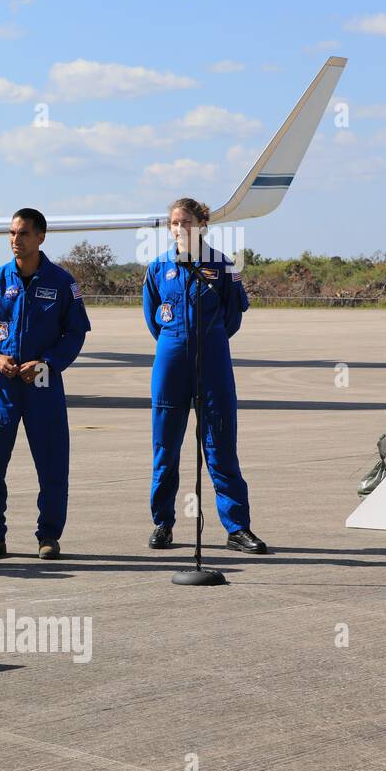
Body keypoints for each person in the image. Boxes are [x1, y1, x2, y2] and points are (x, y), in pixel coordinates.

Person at [0, 208, 90, 559]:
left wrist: (47, 363)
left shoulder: (62, 283)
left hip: (43, 386)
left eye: (22, 234)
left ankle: (48, 536)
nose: (15, 240)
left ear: (40, 237)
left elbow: (75, 332)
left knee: (52, 463)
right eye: (11, 233)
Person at [144, 197, 267, 553]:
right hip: (170, 361)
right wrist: (179, 342)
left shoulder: (223, 266)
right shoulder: (158, 268)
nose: (178, 229)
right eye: (173, 223)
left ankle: (237, 528)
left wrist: (205, 340)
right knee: (165, 446)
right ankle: (162, 523)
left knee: (221, 445)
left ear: (202, 225)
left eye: (185, 222)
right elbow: (154, 319)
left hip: (212, 360)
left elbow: (233, 317)